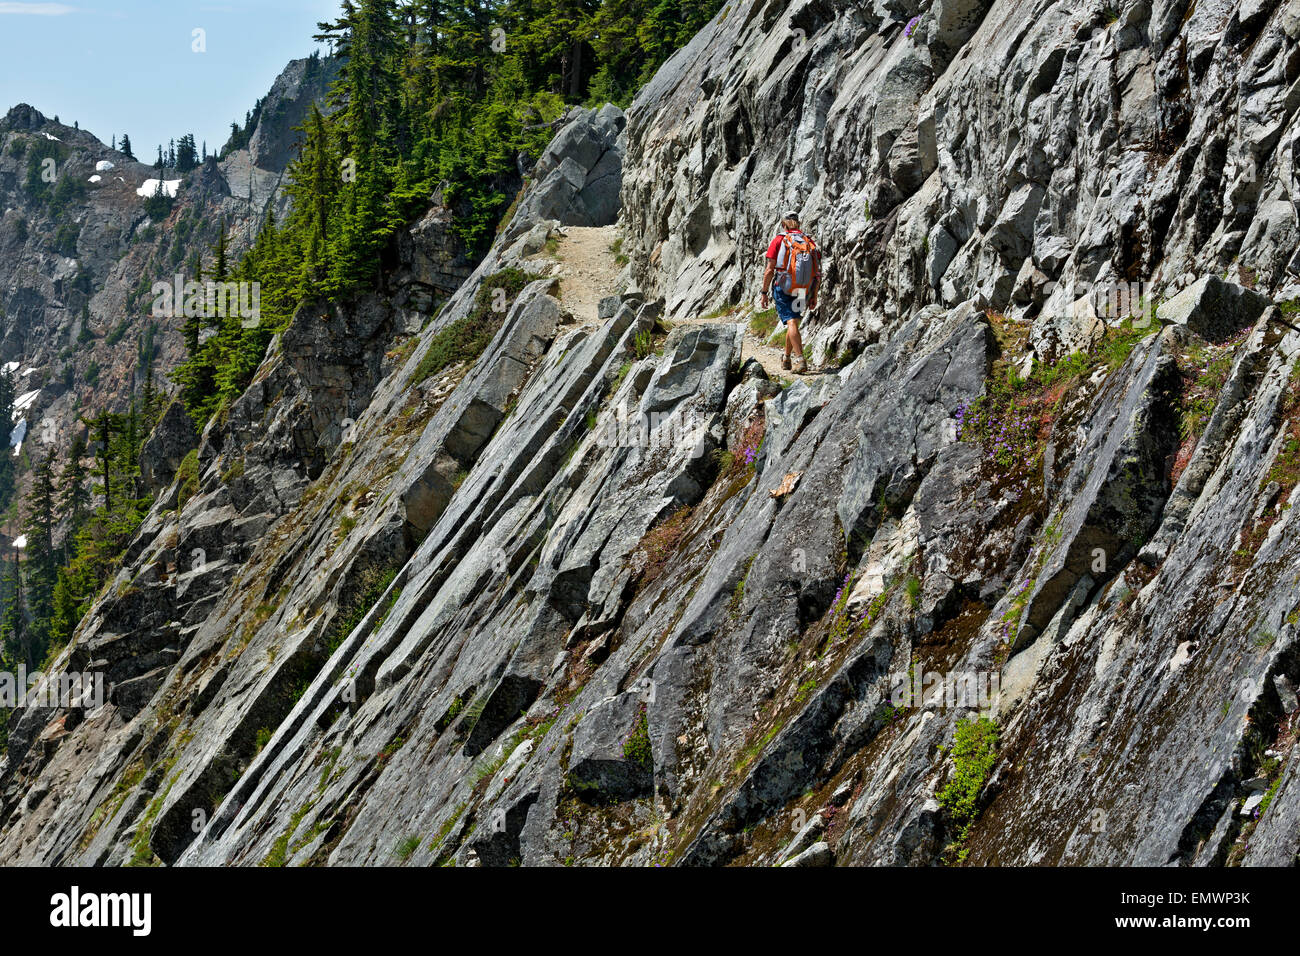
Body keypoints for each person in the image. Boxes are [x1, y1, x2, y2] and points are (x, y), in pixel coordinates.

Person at [760, 211, 820, 373]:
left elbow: (769, 270)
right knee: (793, 322)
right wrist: (814, 294)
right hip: (802, 289)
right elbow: (817, 272)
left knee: (791, 323)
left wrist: (764, 292)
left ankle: (800, 361)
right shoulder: (808, 241)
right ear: (798, 223)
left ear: (783, 224)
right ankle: (786, 358)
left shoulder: (779, 240)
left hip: (783, 287)